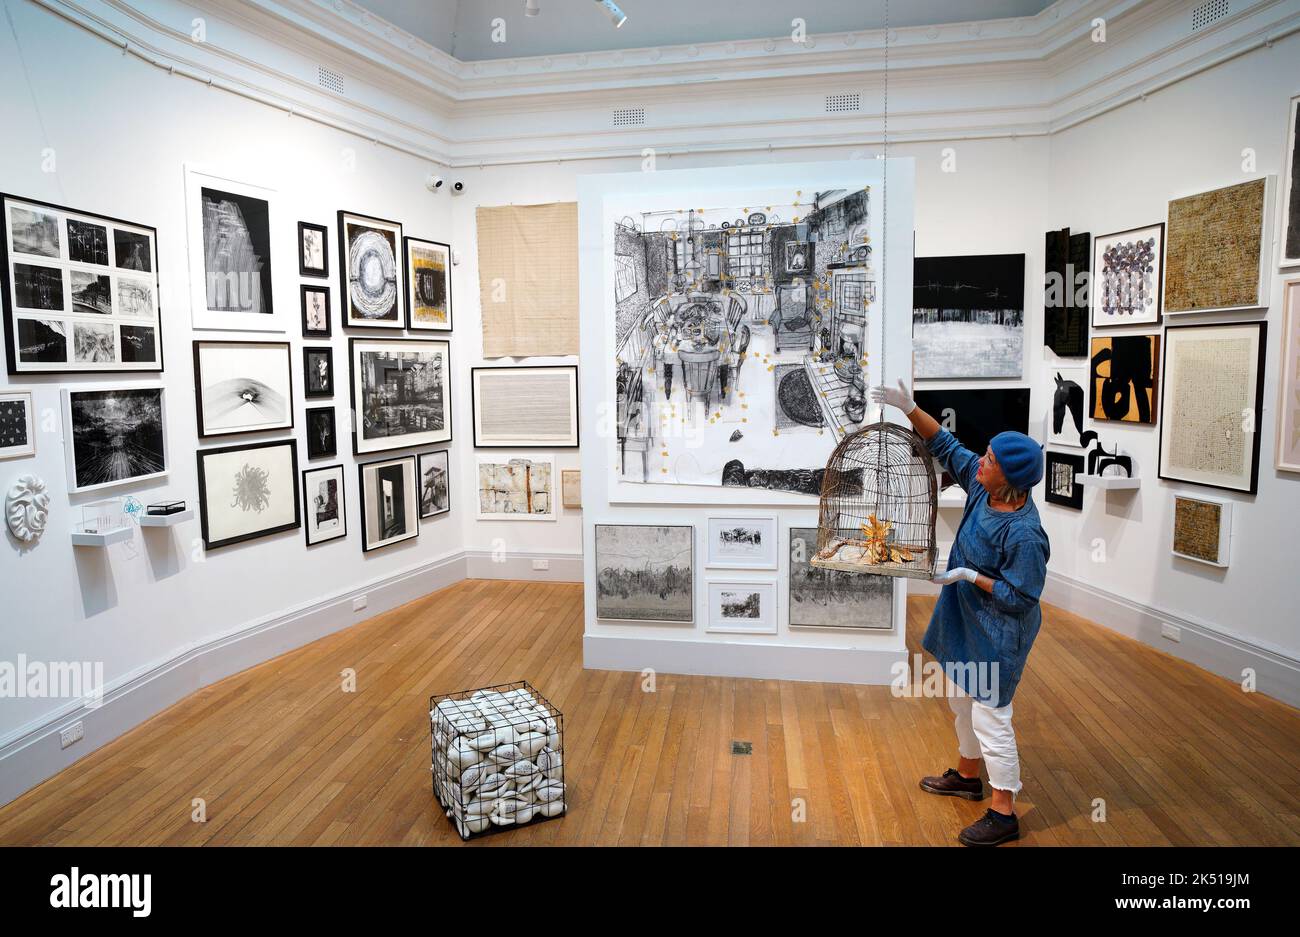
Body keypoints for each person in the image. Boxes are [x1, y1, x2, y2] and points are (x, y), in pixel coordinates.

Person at [872, 379, 1050, 847]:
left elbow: (1019, 598)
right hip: (964, 619)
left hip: (997, 633)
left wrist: (970, 576)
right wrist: (908, 406)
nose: (980, 460)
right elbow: (945, 443)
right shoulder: (982, 482)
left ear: (1008, 478)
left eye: (989, 458)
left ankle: (1004, 812)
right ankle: (969, 778)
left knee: (991, 716)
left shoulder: (1024, 534)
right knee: (960, 703)